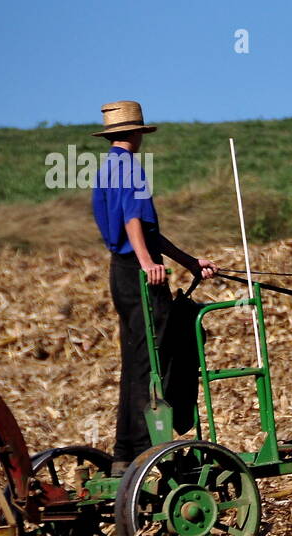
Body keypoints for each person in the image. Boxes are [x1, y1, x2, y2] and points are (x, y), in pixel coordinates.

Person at [90, 100, 216, 475]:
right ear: (136, 133)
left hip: (122, 272)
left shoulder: (106, 168)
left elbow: (148, 231)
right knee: (159, 357)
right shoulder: (130, 168)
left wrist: (190, 262)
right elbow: (133, 221)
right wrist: (148, 264)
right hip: (139, 273)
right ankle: (147, 447)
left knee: (137, 360)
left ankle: (124, 451)